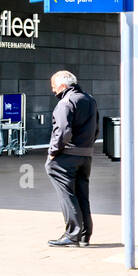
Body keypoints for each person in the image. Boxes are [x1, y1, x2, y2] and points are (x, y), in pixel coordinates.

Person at [45, 70, 97, 247]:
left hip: (66, 156)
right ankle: (84, 234)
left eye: (53, 87)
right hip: (86, 155)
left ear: (61, 86)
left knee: (67, 194)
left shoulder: (65, 103)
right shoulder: (89, 99)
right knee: (82, 194)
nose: (53, 91)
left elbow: (62, 131)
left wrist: (53, 152)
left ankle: (72, 234)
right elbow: (95, 128)